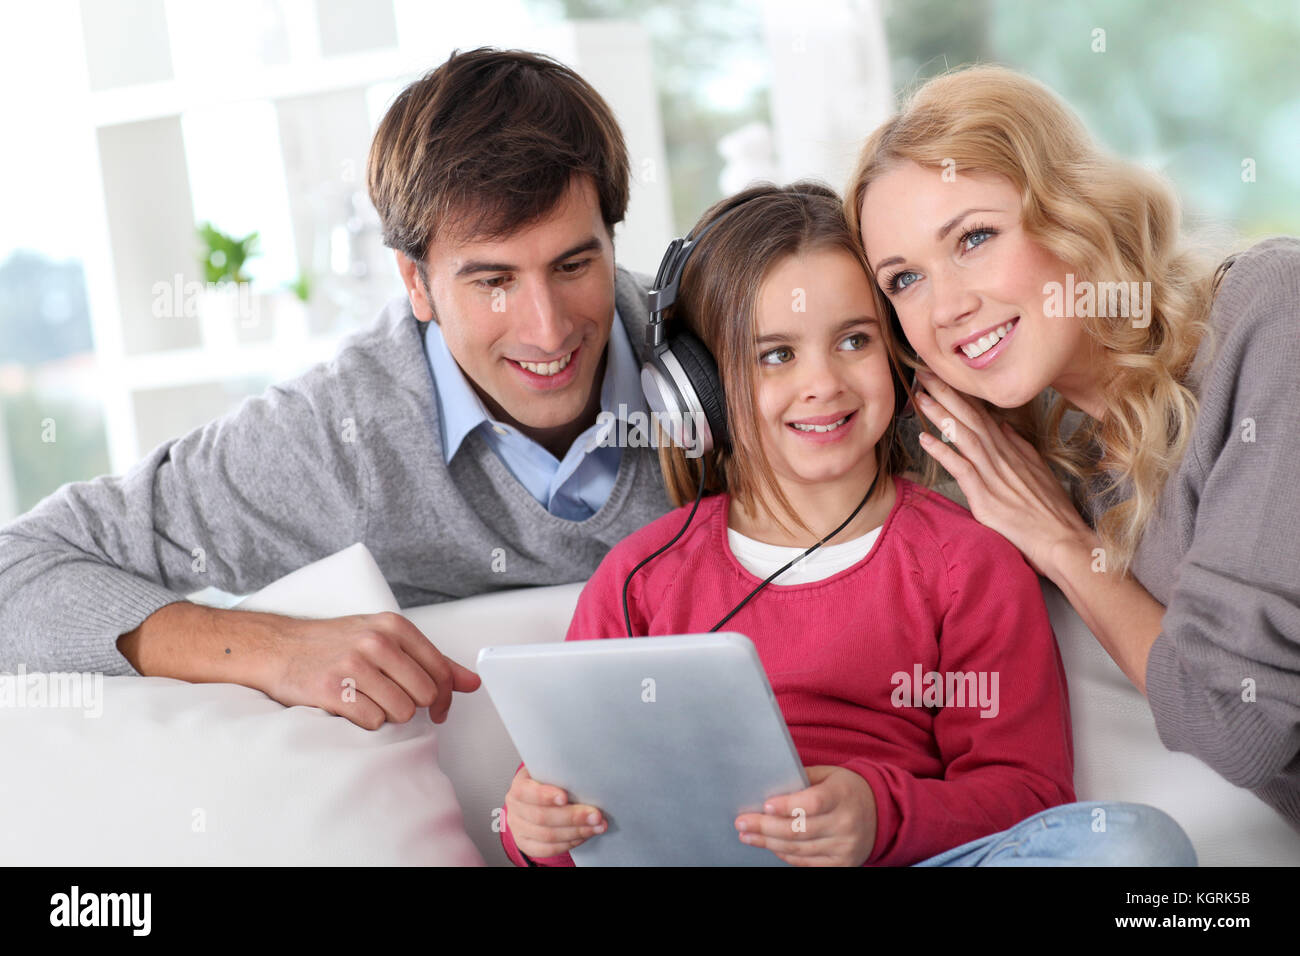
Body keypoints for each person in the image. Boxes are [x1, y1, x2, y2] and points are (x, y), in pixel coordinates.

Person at [498, 183, 1196, 866]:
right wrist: (533, 827)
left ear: (895, 353)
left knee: (1133, 845)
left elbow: (1027, 794)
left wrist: (877, 815)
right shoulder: (640, 579)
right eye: (776, 354)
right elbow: (575, 806)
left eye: (854, 341)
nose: (823, 383)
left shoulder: (965, 562)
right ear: (699, 390)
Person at [0, 47, 674, 731]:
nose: (547, 328)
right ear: (416, 282)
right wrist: (272, 650)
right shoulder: (338, 436)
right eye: (493, 282)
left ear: (611, 241)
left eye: (571, 264)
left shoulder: (725, 353)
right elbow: (15, 574)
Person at [847, 63, 1300, 830]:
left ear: (1073, 213)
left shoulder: (1270, 316)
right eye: (904, 281)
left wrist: (1061, 545)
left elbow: (1238, 725)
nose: (948, 306)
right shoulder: (1060, 465)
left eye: (975, 238)